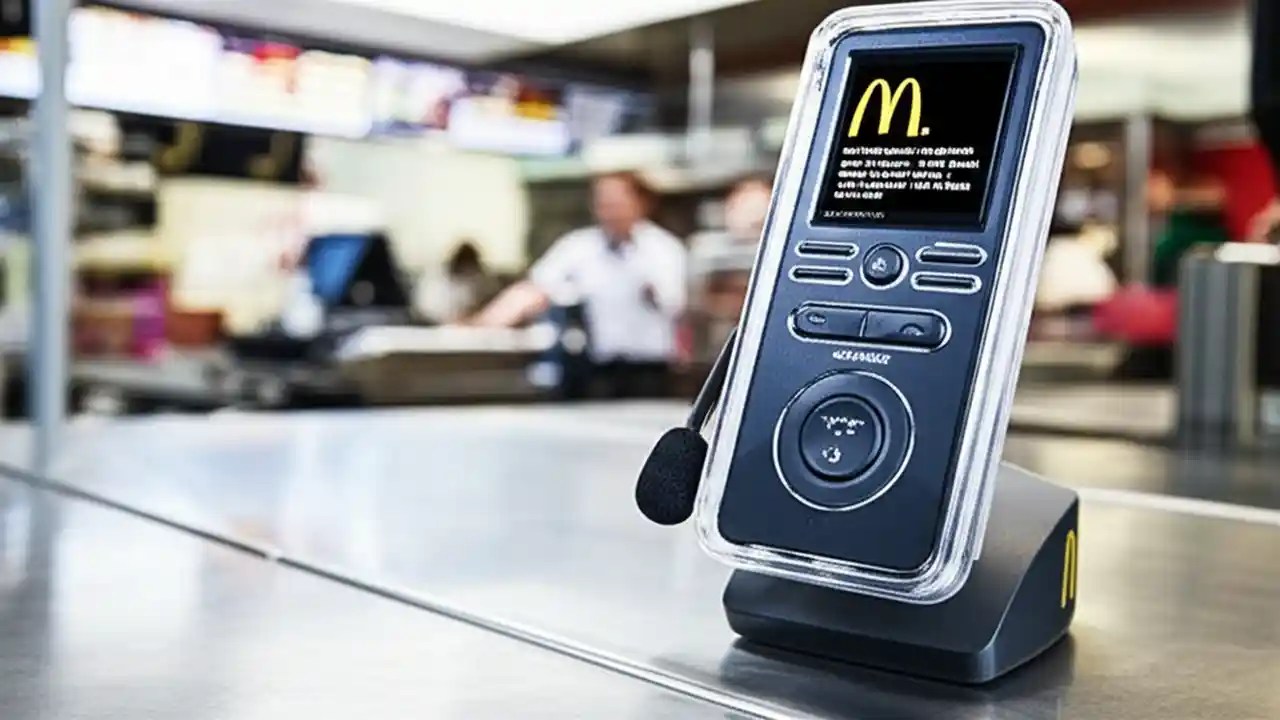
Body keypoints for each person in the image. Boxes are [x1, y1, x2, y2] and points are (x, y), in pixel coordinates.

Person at [473, 172, 687, 397]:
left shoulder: (663, 249)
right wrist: (485, 323)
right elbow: (534, 288)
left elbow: (674, 304)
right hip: (598, 366)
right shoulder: (579, 247)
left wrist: (648, 287)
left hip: (649, 367)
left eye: (616, 203)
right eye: (602, 203)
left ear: (640, 203)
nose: (609, 211)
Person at [414, 241, 498, 323]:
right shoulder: (435, 280)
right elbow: (426, 310)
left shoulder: (482, 279)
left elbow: (491, 301)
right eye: (465, 261)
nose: (467, 269)